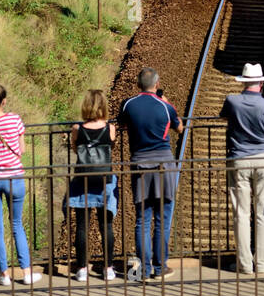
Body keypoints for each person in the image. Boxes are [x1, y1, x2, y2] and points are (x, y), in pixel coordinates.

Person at [220, 63, 264, 276]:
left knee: (241, 213)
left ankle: (244, 264)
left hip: (238, 159)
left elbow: (224, 118)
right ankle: (263, 264)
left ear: (244, 81)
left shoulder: (232, 101)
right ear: (260, 82)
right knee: (263, 213)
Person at [118, 68, 182, 280]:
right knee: (162, 218)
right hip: (164, 165)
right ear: (157, 84)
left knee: (142, 219)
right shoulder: (165, 106)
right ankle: (160, 266)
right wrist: (168, 101)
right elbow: (179, 127)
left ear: (138, 84)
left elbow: (123, 125)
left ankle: (144, 270)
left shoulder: (128, 105)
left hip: (140, 165)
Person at [0, 80, 40, 286]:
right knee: (17, 224)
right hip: (14, 177)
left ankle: (4, 274)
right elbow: (21, 150)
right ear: (4, 101)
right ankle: (27, 272)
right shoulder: (14, 120)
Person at [69, 89, 118, 281]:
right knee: (106, 225)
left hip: (83, 179)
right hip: (104, 180)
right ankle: (108, 268)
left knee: (82, 225)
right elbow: (111, 147)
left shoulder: (77, 129)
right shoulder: (110, 129)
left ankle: (82, 268)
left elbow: (75, 148)